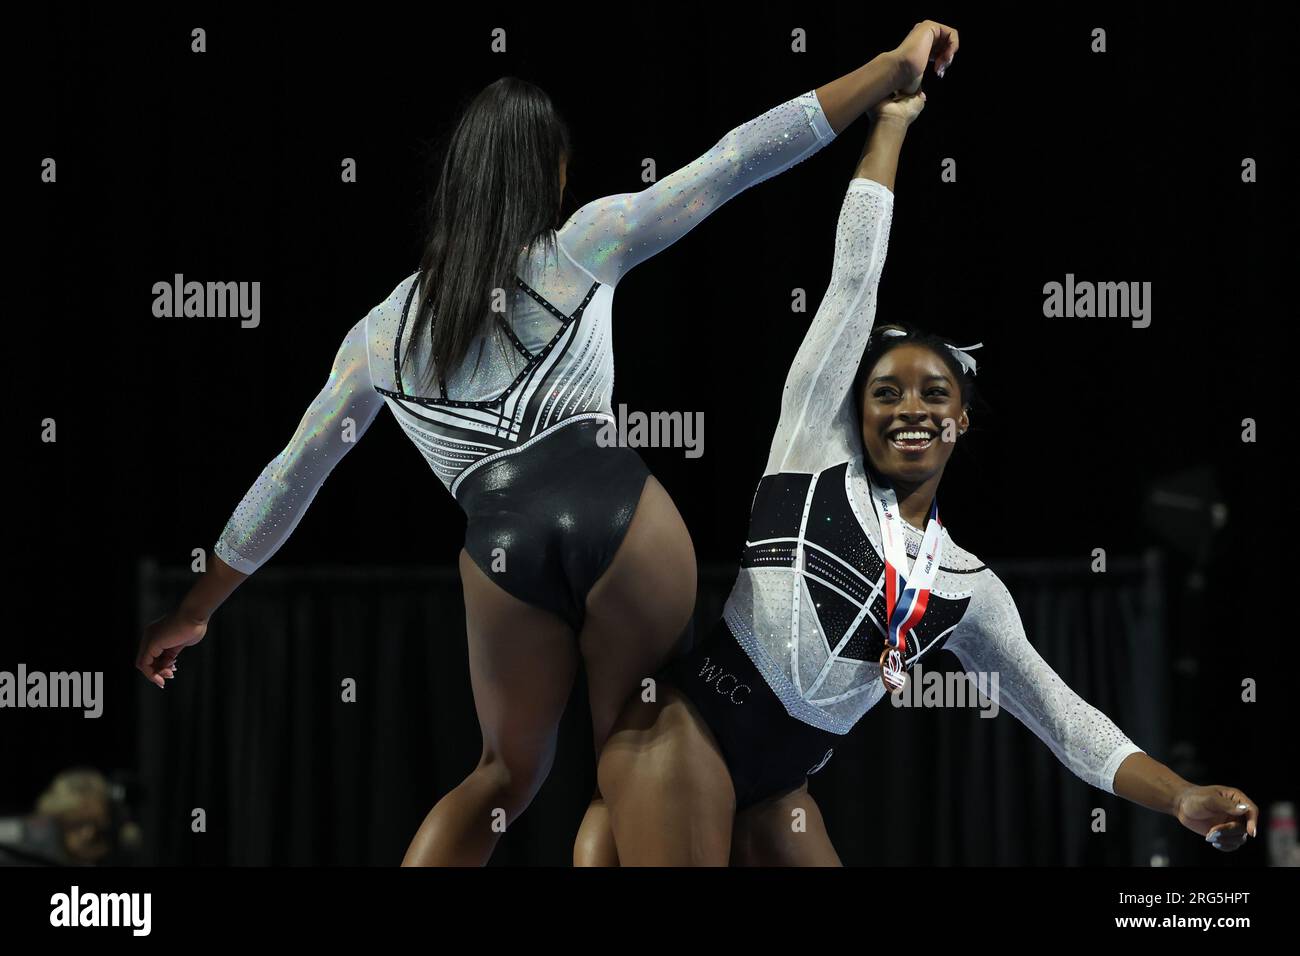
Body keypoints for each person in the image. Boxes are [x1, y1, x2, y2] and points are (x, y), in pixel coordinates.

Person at [135, 21, 964, 866]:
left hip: (497, 542)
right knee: (636, 754)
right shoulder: (582, 243)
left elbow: (290, 478)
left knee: (500, 776)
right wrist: (883, 73)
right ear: (554, 175)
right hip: (619, 516)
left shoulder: (378, 334)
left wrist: (196, 611)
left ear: (454, 185)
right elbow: (733, 160)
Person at [592, 78, 1258, 866]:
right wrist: (892, 126)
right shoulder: (812, 450)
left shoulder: (964, 586)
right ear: (856, 410)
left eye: (933, 392)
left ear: (962, 418)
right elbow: (854, 280)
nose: (909, 407)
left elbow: (1065, 719)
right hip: (687, 731)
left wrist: (1180, 796)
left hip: (781, 789)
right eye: (884, 392)